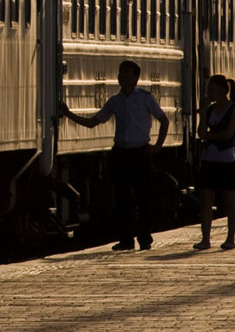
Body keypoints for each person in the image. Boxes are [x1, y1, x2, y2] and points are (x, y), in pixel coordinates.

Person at [57, 60, 171, 251]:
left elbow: (164, 121)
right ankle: (126, 240)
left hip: (140, 152)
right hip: (121, 153)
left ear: (136, 77)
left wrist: (158, 146)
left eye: (126, 72)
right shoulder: (115, 101)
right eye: (120, 72)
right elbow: (93, 123)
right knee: (121, 199)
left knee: (143, 198)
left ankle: (144, 238)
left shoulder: (145, 98)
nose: (121, 76)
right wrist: (69, 114)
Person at [193, 74, 235, 251]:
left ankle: (230, 238)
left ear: (223, 91)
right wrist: (203, 111)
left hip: (226, 160)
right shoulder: (210, 110)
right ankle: (205, 239)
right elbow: (201, 132)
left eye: (211, 90)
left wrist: (210, 136)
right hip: (209, 159)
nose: (209, 93)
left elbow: (228, 135)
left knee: (229, 199)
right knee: (206, 200)